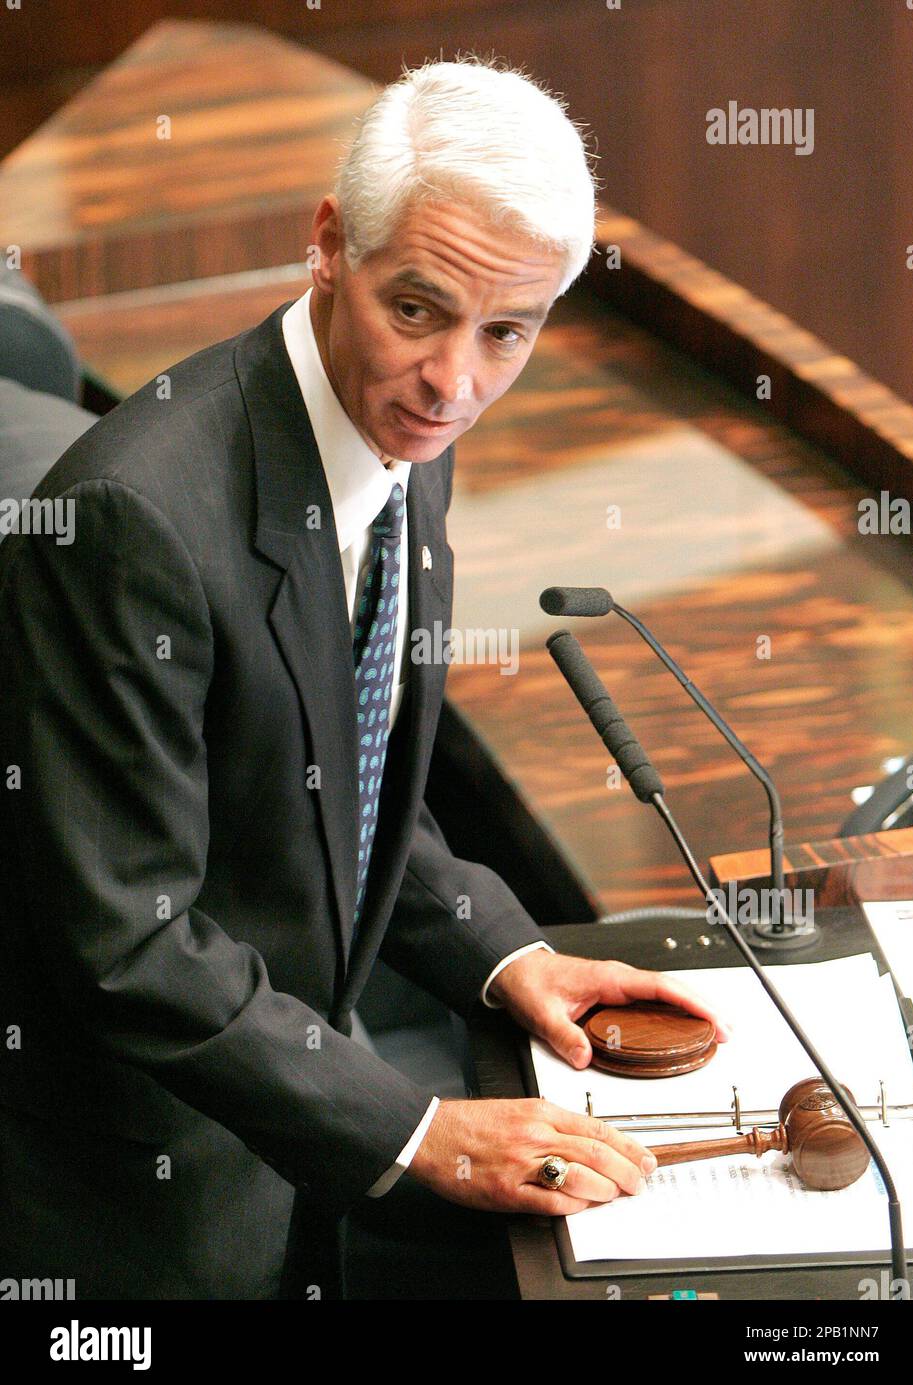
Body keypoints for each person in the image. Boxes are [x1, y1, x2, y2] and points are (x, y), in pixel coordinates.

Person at [0, 56, 727, 1300]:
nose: (454, 380)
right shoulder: (132, 517)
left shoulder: (399, 429)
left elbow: (341, 764)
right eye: (417, 310)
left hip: (291, 1132)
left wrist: (508, 955)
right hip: (136, 1185)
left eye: (506, 332)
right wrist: (414, 1126)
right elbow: (130, 937)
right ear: (328, 243)